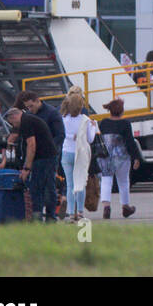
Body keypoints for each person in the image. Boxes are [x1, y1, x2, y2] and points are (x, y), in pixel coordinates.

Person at [14, 89, 65, 218]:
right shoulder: (29, 115)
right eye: (27, 107)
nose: (30, 109)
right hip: (34, 155)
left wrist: (48, 148)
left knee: (49, 186)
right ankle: (36, 214)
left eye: (31, 106)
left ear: (38, 101)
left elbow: (60, 135)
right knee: (35, 186)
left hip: (49, 155)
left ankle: (50, 215)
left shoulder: (52, 113)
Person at [6, 106, 58, 221]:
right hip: (50, 156)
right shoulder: (30, 119)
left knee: (36, 188)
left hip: (43, 158)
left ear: (14, 116)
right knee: (49, 187)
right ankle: (51, 217)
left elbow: (31, 145)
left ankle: (37, 217)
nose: (14, 126)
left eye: (12, 123)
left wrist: (26, 168)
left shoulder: (26, 122)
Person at [98, 98, 141, 219]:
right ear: (121, 111)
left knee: (106, 180)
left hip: (105, 157)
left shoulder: (103, 123)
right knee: (123, 181)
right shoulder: (125, 124)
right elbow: (130, 142)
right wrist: (136, 157)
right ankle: (125, 206)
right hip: (122, 158)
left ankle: (106, 206)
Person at [60, 91, 98, 221]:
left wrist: (71, 137)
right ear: (81, 105)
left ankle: (71, 213)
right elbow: (91, 139)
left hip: (66, 153)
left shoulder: (63, 119)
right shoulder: (85, 120)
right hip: (80, 154)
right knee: (80, 182)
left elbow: (63, 135)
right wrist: (94, 126)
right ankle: (80, 212)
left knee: (70, 184)